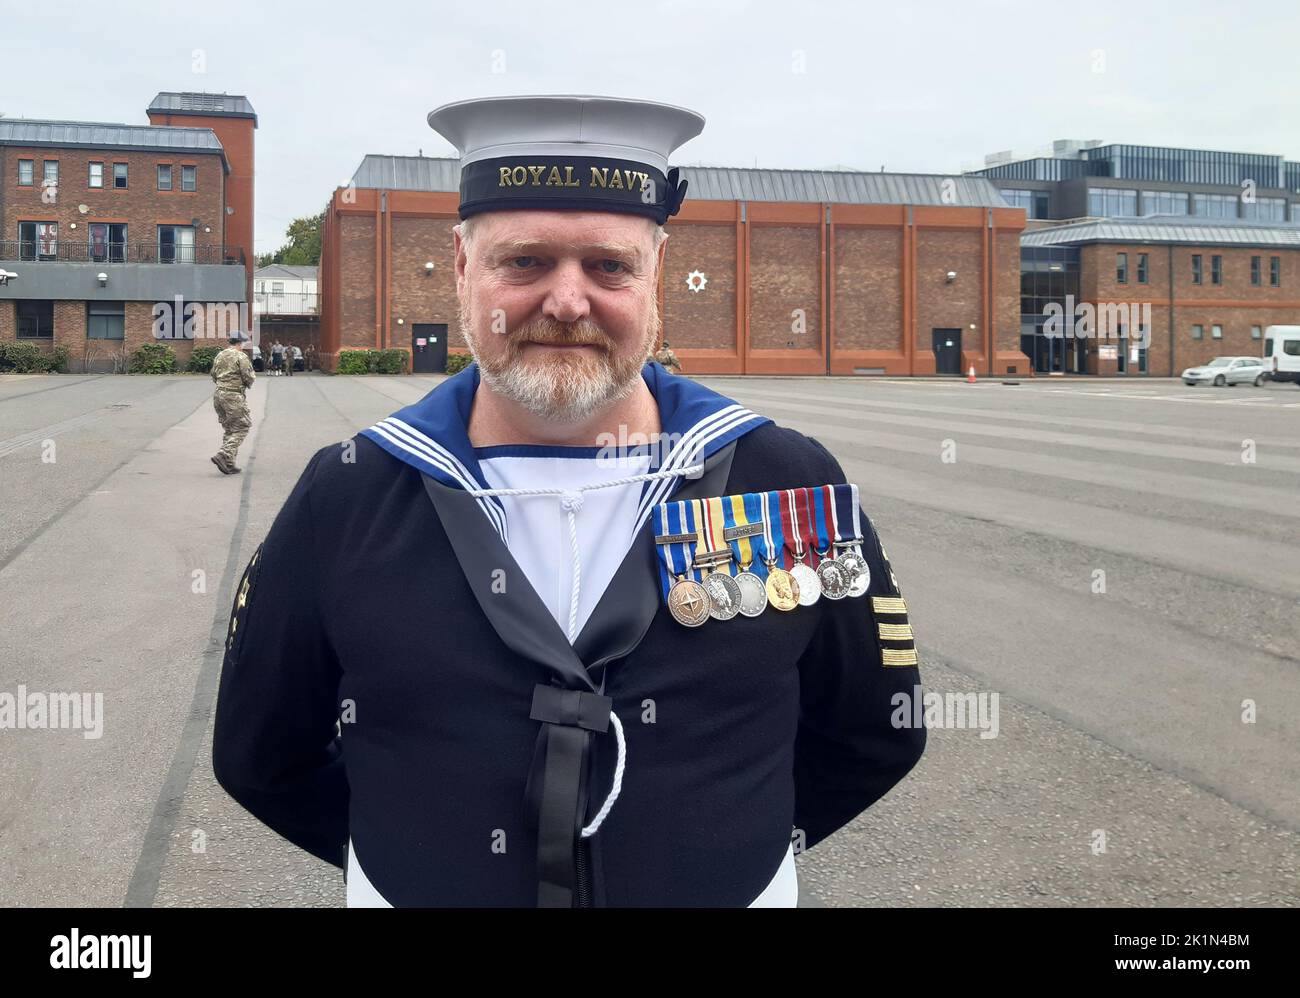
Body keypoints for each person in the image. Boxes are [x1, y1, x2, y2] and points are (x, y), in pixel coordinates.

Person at [212, 95, 924, 907]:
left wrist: (736, 846)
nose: (566, 301)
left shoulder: (784, 477)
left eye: (609, 266)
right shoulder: (351, 492)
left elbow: (875, 728)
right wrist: (407, 853)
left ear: (656, 275)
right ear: (459, 266)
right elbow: (259, 752)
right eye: (525, 262)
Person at [210, 332, 255, 475]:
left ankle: (229, 464)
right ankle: (223, 454)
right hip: (233, 395)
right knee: (242, 427)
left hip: (219, 395)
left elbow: (213, 374)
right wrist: (246, 383)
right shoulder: (241, 356)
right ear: (240, 343)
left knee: (230, 428)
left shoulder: (220, 355)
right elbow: (248, 377)